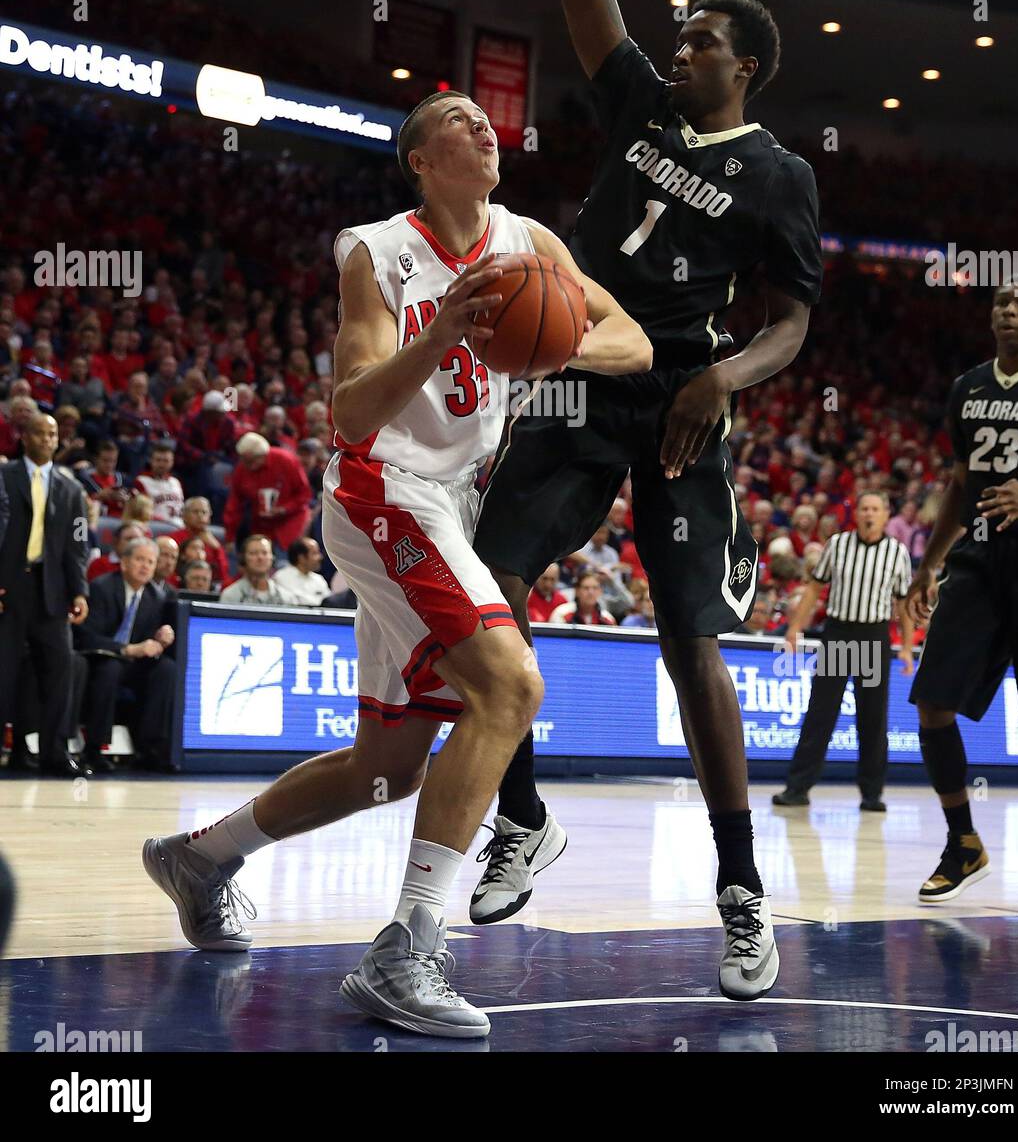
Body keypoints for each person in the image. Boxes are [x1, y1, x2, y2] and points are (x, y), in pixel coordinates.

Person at [143, 88, 649, 1038]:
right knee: (511, 689)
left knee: (387, 770)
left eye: (485, 119)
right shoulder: (377, 252)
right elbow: (350, 412)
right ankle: (409, 946)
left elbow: (632, 338)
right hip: (384, 491)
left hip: (450, 505)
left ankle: (201, 858)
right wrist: (444, 335)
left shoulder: (528, 240)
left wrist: (547, 347)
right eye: (457, 117)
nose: (481, 125)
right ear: (419, 158)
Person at [471, 0, 820, 1001]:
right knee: (488, 589)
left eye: (700, 44)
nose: (676, 52)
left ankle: (739, 893)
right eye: (674, 39)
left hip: (677, 394)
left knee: (690, 645)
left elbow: (789, 324)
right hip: (577, 370)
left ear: (749, 69)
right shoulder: (633, 105)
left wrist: (720, 376)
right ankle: (520, 817)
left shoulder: (776, 177)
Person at [905, 279, 1018, 915]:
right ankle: (963, 843)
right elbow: (964, 479)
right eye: (1001, 302)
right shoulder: (967, 387)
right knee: (932, 703)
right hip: (976, 562)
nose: (1008, 310)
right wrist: (930, 562)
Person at [772, 492, 914, 812]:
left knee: (873, 718)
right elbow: (813, 588)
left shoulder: (897, 552)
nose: (869, 514)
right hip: (839, 634)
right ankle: (798, 788)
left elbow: (903, 603)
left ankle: (872, 794)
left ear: (886, 514)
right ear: (857, 513)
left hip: (873, 637)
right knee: (821, 712)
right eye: (864, 508)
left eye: (876, 509)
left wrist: (905, 646)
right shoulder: (837, 545)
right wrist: (795, 628)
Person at [0, 414, 91, 777]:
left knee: (59, 671)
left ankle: (54, 753)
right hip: (9, 587)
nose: (48, 438)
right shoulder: (4, 477)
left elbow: (79, 545)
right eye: (41, 432)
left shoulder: (72, 490)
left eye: (53, 433)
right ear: (25, 437)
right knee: (4, 672)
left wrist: (80, 590)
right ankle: (13, 750)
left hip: (52, 590)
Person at [74, 536, 178, 772]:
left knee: (166, 669)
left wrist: (162, 637)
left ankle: (149, 749)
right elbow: (87, 636)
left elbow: (155, 639)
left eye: (150, 562)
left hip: (133, 663)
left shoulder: (157, 596)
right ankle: (94, 749)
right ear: (123, 563)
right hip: (102, 658)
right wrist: (127, 649)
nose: (145, 566)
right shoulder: (102, 587)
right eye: (140, 559)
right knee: (110, 669)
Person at [222, 432, 313, 555]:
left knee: (284, 559)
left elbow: (304, 494)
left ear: (263, 455)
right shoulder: (242, 469)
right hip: (261, 525)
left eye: (251, 461)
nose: (247, 466)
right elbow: (234, 505)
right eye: (244, 461)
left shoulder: (286, 460)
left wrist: (284, 509)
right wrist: (230, 537)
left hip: (291, 522)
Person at [219, 534, 299, 606]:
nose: (260, 557)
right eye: (253, 553)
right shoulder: (230, 596)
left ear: (272, 558)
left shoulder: (287, 598)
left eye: (264, 553)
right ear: (243, 559)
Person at [172, 496, 231, 587]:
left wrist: (217, 548)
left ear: (210, 516)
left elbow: (223, 577)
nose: (200, 516)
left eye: (204, 512)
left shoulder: (214, 543)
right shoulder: (173, 539)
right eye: (195, 512)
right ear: (184, 515)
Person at [132, 441, 185, 526]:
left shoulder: (176, 482)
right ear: (151, 460)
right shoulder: (141, 481)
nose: (161, 464)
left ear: (172, 462)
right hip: (155, 526)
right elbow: (140, 512)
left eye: (166, 461)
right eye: (158, 460)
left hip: (179, 525)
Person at [272, 536, 330, 605]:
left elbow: (329, 603)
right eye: (315, 553)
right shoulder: (281, 577)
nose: (320, 557)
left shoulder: (319, 579)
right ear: (301, 558)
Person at [554, 570, 618, 626]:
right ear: (577, 591)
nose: (591, 592)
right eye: (586, 588)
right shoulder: (562, 614)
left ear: (600, 591)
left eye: (595, 588)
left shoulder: (608, 618)